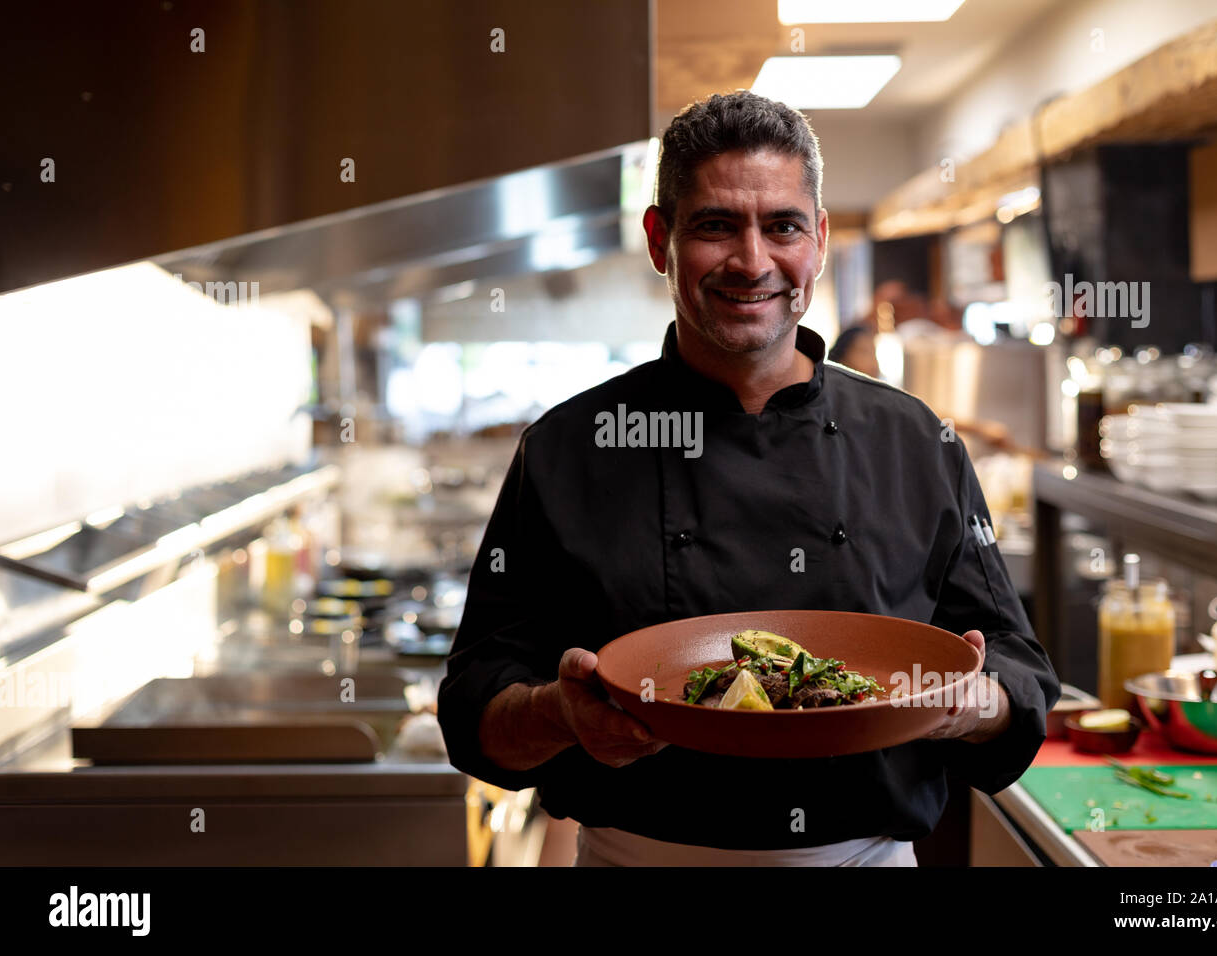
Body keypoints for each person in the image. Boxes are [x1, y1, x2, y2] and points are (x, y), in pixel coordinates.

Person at [438, 91, 1060, 866]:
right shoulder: (566, 449)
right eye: (715, 225)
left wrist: (973, 704)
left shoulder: (916, 442)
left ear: (820, 241)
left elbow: (1016, 665)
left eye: (783, 226)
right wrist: (559, 715)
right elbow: (472, 706)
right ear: (661, 241)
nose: (753, 261)